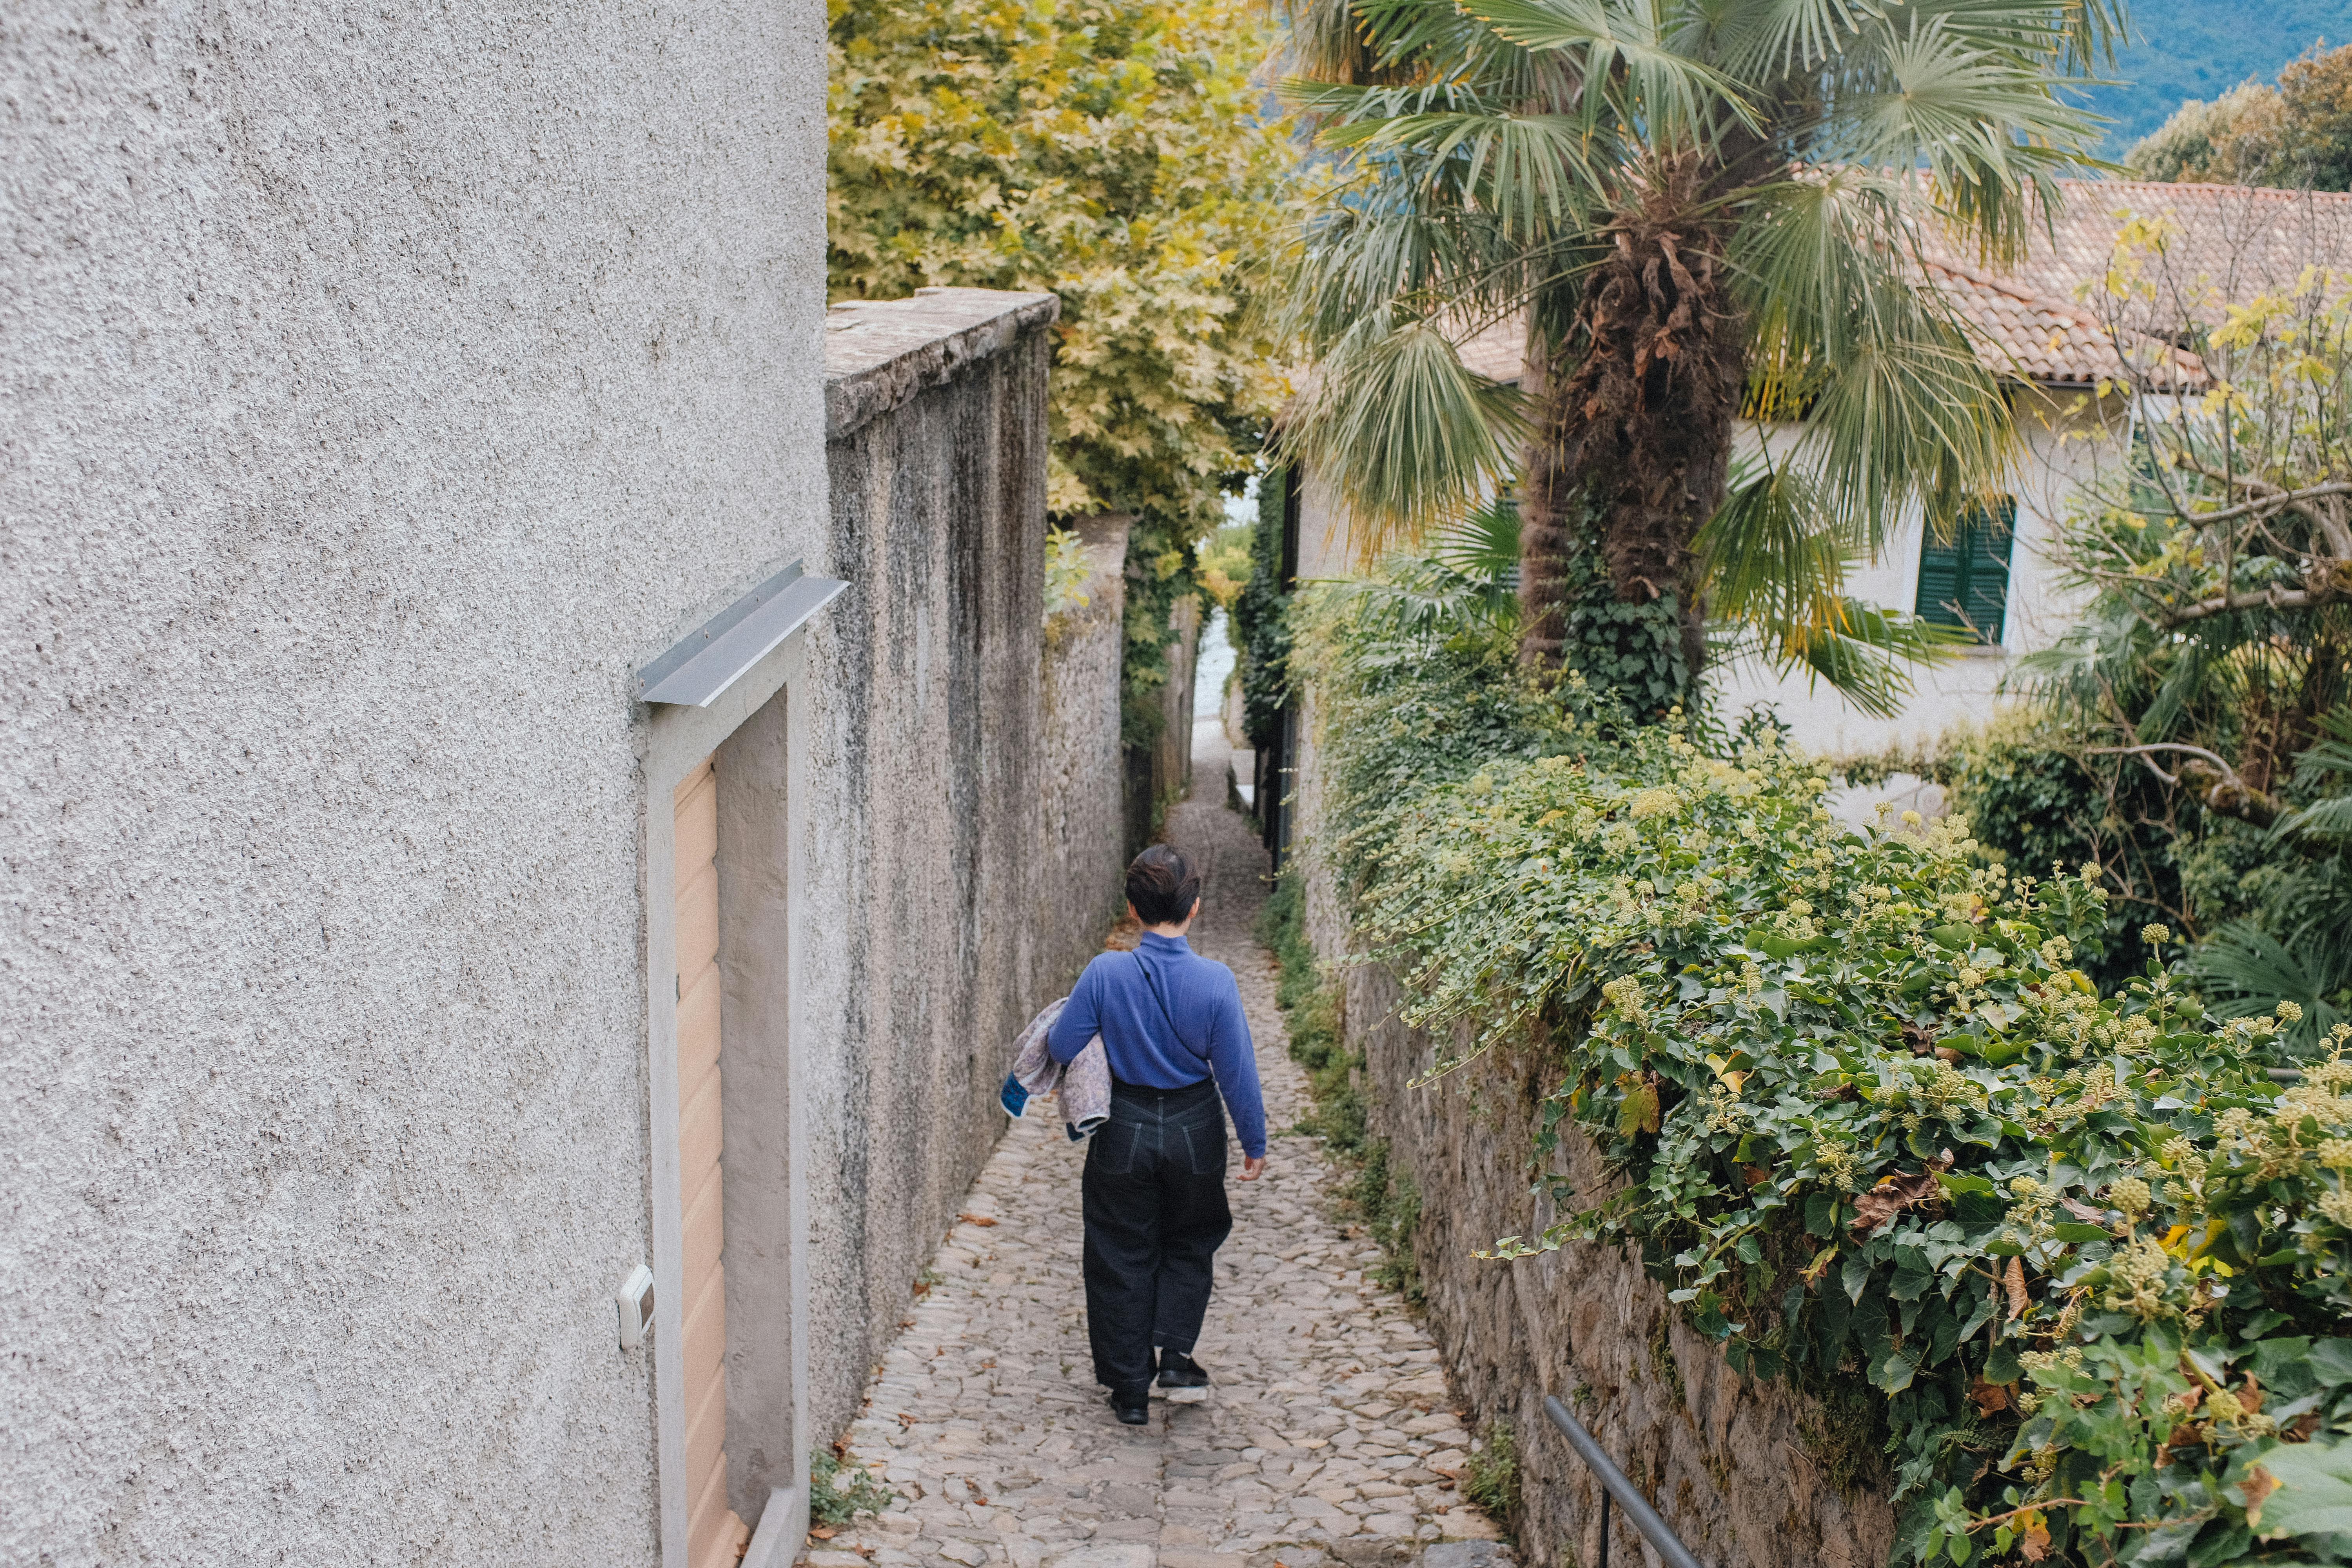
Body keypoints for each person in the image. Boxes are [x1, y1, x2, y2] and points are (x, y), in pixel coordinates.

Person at [1047, 845, 1267, 1425]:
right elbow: (1237, 1072)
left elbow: (1062, 1045)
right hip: (1196, 1127)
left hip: (1125, 1129)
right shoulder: (1217, 983)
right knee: (1191, 1239)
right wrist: (1255, 1141)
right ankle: (1176, 1357)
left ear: (1132, 907)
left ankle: (1129, 1390)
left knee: (1120, 1249)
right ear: (1194, 907)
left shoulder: (1105, 973)